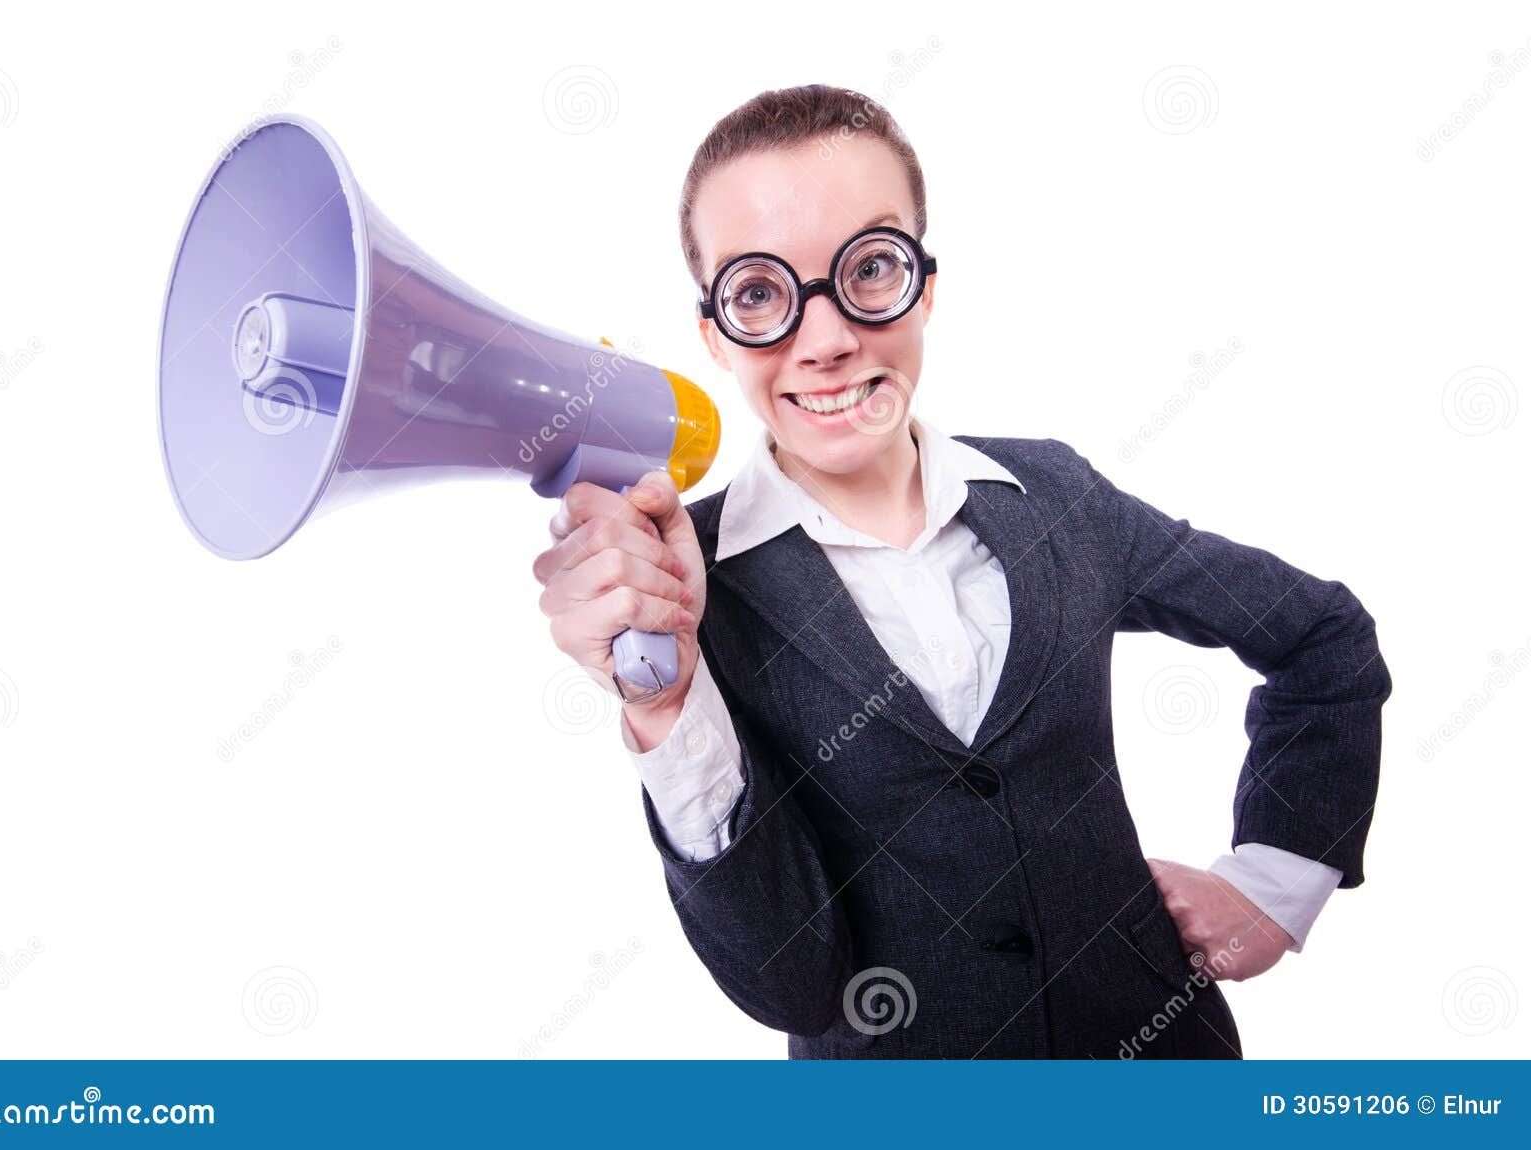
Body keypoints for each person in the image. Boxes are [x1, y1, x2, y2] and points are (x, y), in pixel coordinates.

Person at [530, 84, 1392, 1059]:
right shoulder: (687, 584)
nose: (824, 340)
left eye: (869, 268)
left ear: (925, 285)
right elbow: (790, 979)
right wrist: (667, 701)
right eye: (760, 293)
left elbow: (1322, 636)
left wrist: (1275, 878)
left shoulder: (1058, 495)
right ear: (714, 333)